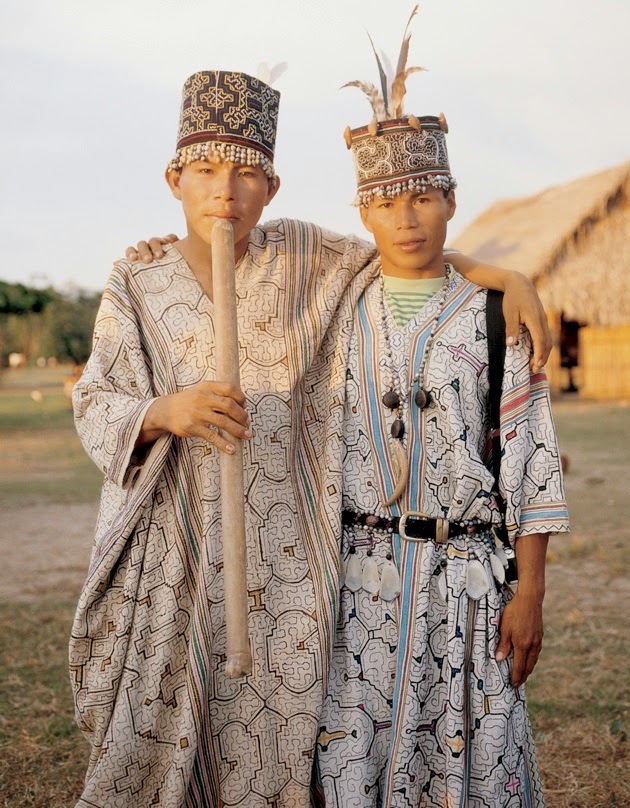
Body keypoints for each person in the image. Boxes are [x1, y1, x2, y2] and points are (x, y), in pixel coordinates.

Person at [72, 68, 553, 808]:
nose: (223, 193)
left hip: (284, 562)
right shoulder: (134, 283)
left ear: (273, 187)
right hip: (171, 552)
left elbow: (403, 250)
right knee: (153, 733)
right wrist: (167, 409)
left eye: (244, 174)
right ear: (174, 180)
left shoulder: (304, 258)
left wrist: (504, 276)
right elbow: (99, 399)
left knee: (271, 742)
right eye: (204, 172)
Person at [312, 31, 569, 808]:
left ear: (451, 199)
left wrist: (530, 595)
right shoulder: (331, 309)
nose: (407, 218)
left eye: (424, 196)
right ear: (363, 210)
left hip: (467, 584)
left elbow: (532, 462)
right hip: (359, 587)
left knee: (471, 769)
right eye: (386, 201)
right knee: (355, 767)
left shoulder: (495, 317)